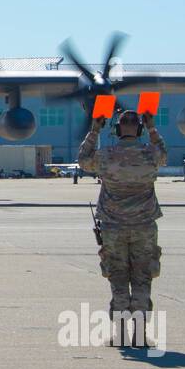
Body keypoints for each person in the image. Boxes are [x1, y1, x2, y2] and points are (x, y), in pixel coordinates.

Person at [78, 109, 167, 346]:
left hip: (113, 228)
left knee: (118, 279)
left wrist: (95, 129)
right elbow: (164, 155)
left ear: (117, 130)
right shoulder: (150, 154)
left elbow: (83, 160)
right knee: (142, 279)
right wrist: (152, 128)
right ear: (139, 129)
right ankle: (139, 335)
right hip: (144, 227)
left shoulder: (106, 155)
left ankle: (119, 334)